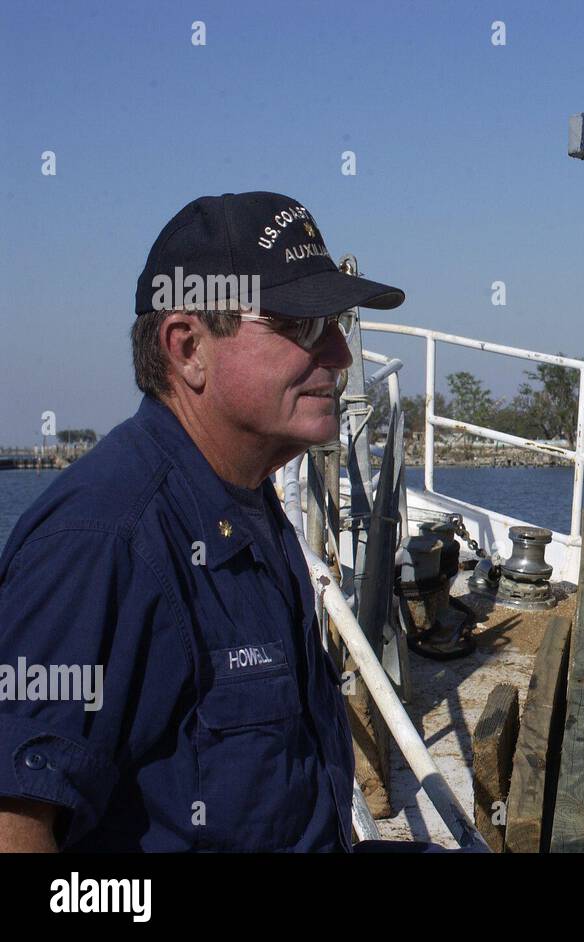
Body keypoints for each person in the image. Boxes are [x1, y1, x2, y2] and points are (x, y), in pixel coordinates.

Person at [0, 192, 404, 851]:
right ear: (188, 347)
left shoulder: (246, 500)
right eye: (302, 327)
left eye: (335, 324)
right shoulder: (102, 542)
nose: (339, 355)